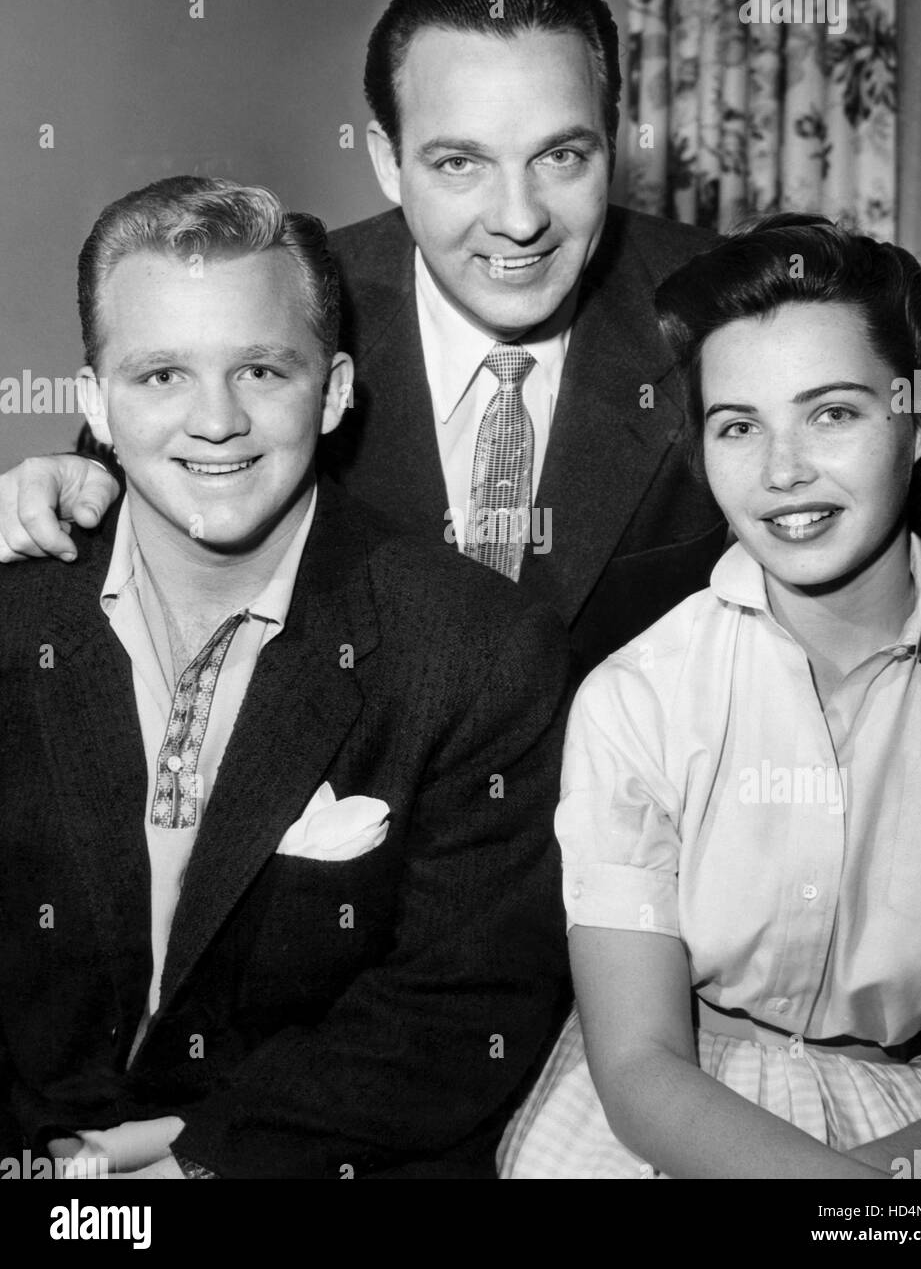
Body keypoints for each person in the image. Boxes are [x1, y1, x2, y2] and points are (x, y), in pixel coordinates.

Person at [5, 0, 921, 708]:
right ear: (389, 163)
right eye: (460, 163)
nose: (518, 219)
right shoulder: (290, 303)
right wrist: (59, 488)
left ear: (614, 138)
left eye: (562, 155)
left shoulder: (731, 307)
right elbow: (159, 449)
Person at [0, 176, 571, 1180]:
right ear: (93, 400)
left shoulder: (478, 647)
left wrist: (192, 1164)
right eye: (161, 375)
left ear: (337, 387)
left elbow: (460, 1006)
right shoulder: (17, 609)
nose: (215, 421)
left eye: (262, 369)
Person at [499, 217, 921, 1180]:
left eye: (834, 413)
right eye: (739, 425)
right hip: (671, 1130)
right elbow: (640, 1067)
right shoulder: (638, 700)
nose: (782, 470)